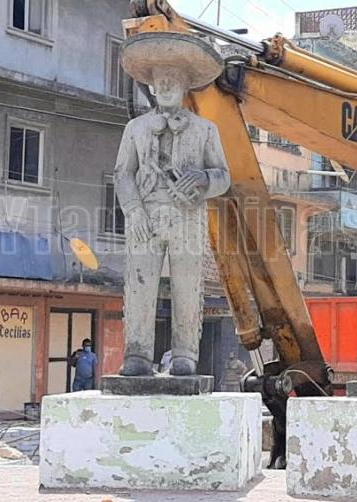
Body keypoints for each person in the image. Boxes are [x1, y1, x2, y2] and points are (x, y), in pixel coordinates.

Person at [115, 32, 231, 377]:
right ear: (151, 88)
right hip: (144, 216)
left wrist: (203, 179)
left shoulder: (205, 130)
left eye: (173, 81)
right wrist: (133, 210)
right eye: (160, 81)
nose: (166, 86)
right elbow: (123, 174)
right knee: (139, 284)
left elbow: (224, 176)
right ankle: (136, 354)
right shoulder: (135, 129)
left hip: (187, 216)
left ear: (184, 87)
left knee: (187, 285)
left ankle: (185, 354)